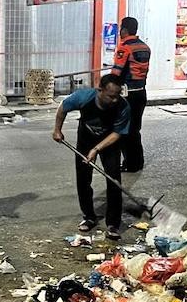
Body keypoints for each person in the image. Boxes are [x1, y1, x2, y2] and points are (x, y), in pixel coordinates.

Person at [52, 74, 130, 240]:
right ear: (99, 90)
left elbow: (117, 133)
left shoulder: (123, 106)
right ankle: (89, 217)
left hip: (109, 143)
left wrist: (96, 149)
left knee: (114, 180)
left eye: (118, 96)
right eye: (111, 96)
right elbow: (63, 107)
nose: (115, 100)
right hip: (86, 139)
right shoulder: (83, 97)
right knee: (83, 179)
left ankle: (113, 223)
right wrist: (57, 130)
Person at [111, 17, 151, 173]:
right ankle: (137, 162)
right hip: (141, 93)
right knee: (135, 129)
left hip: (127, 95)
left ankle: (130, 163)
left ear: (125, 30)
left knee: (124, 130)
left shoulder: (124, 47)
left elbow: (116, 72)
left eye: (121, 28)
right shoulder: (145, 47)